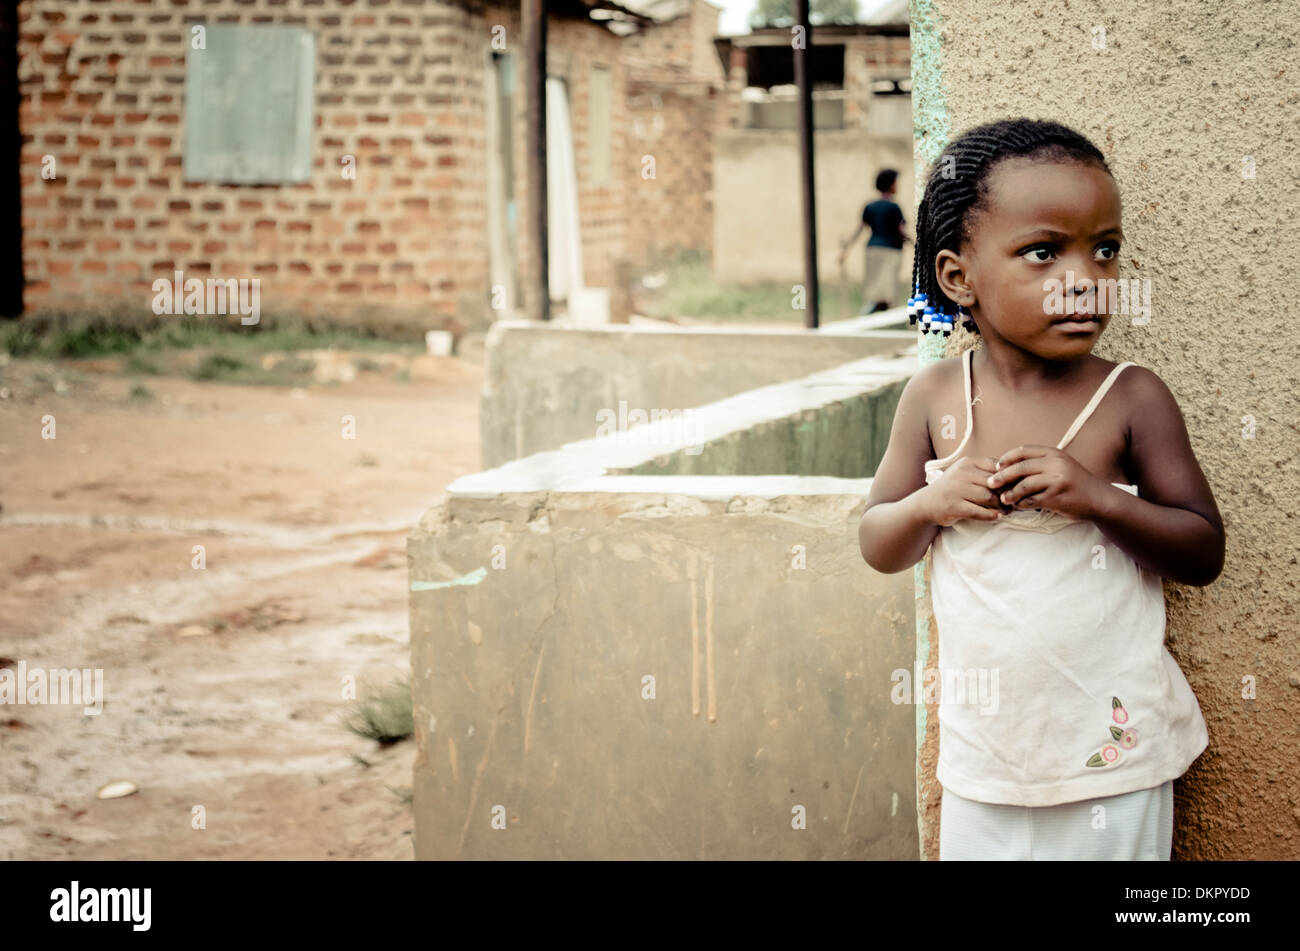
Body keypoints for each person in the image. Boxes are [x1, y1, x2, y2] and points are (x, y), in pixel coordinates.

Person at [857, 118, 1224, 860]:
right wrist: (930, 504)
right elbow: (877, 541)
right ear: (960, 277)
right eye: (1043, 252)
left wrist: (1094, 496)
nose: (1084, 277)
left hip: (1112, 754)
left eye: (1106, 251)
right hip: (989, 755)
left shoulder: (1131, 398)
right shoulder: (935, 398)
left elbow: (1201, 547)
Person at [839, 169, 912, 314]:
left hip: (872, 250)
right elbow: (902, 231)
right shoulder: (894, 207)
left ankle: (869, 313)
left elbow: (859, 230)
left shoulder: (870, 206)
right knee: (888, 288)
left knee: (874, 287)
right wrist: (916, 245)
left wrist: (846, 249)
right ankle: (887, 316)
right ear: (891, 184)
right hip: (891, 251)